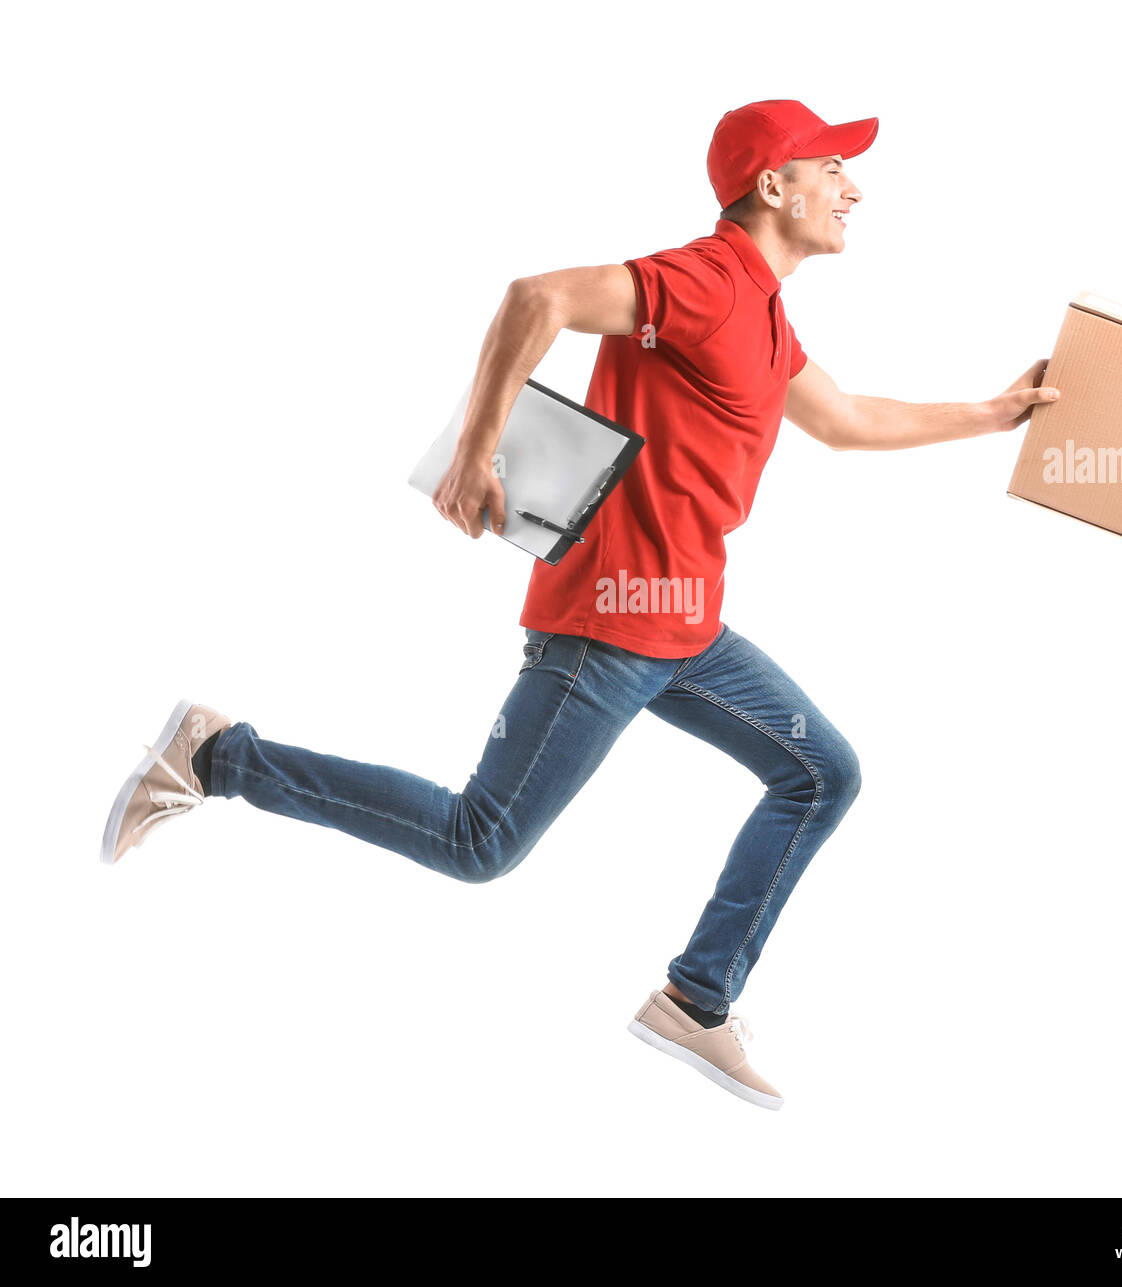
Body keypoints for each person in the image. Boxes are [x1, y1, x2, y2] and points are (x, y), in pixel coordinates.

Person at [101, 100, 1059, 1110]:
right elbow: (537, 296)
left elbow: (850, 420)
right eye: (833, 168)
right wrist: (476, 452)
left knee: (823, 773)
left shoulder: (767, 317)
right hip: (606, 625)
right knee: (479, 842)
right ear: (772, 186)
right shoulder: (705, 281)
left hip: (684, 625)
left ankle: (696, 999)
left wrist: (992, 414)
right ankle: (214, 757)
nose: (853, 187)